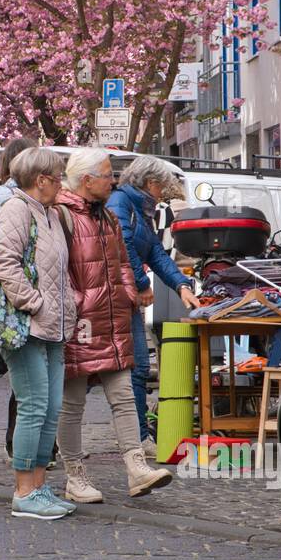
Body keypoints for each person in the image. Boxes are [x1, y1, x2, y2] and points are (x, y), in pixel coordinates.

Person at [55, 148, 173, 503]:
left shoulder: (106, 216)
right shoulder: (61, 217)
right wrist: (75, 305)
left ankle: (137, 469)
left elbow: (123, 261)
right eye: (107, 175)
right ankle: (74, 477)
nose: (114, 181)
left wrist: (125, 295)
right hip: (79, 325)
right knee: (72, 402)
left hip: (112, 320)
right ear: (87, 180)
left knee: (123, 396)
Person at [0, 147, 75, 519]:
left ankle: (39, 486)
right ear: (41, 180)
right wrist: (33, 302)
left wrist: (64, 307)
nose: (63, 184)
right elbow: (3, 262)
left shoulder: (53, 214)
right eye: (59, 177)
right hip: (25, 326)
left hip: (54, 327)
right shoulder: (17, 209)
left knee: (52, 408)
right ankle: (24, 491)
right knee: (34, 405)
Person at [107, 156, 200, 457]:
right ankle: (135, 438)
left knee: (138, 368)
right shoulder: (122, 203)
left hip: (124, 298)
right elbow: (122, 246)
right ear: (151, 184)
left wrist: (181, 285)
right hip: (115, 298)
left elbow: (156, 253)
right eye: (162, 187)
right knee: (125, 369)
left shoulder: (139, 208)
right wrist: (142, 284)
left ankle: (137, 437)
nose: (163, 194)